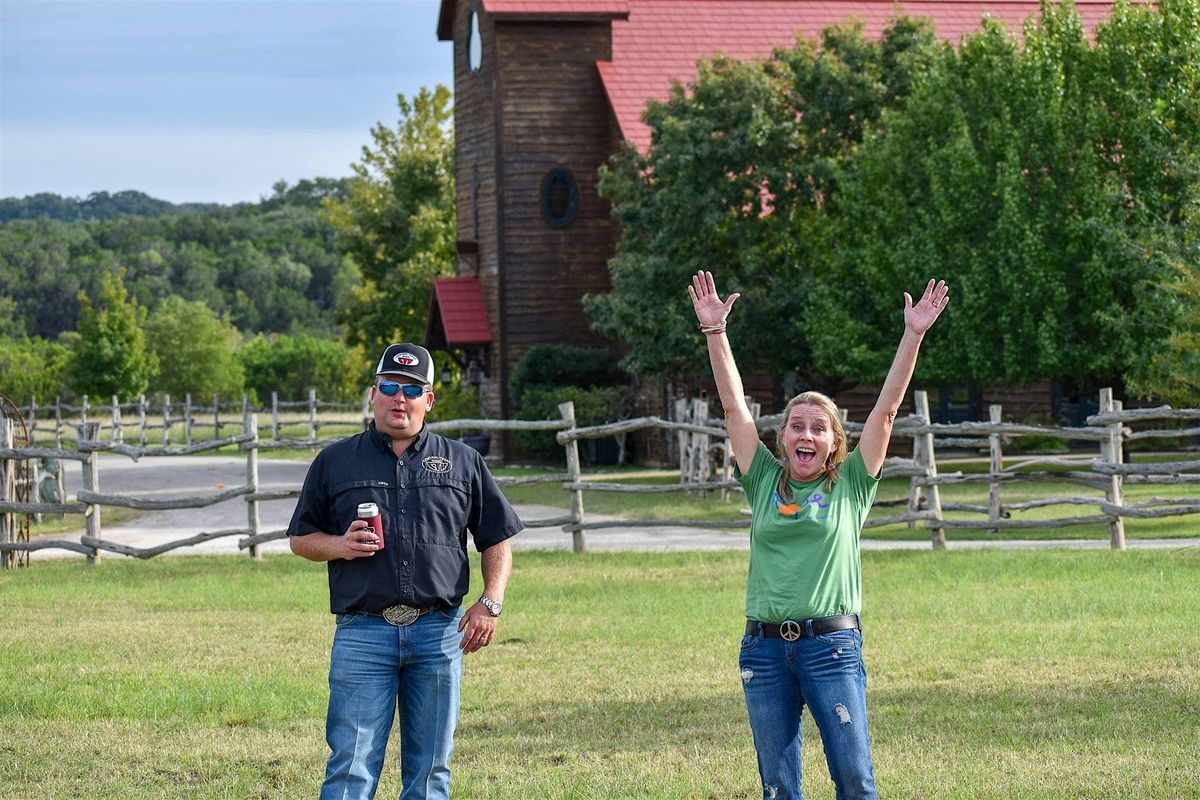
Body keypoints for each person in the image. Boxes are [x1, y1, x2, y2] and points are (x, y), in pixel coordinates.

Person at [687, 270, 948, 800]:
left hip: (832, 646)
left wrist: (913, 334)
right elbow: (735, 407)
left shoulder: (852, 484)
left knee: (854, 780)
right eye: (797, 425)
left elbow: (888, 409)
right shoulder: (762, 478)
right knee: (779, 788)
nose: (806, 433)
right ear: (782, 437)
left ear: (834, 443)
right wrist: (717, 333)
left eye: (818, 427)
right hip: (763, 650)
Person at [287, 342, 523, 800]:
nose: (400, 398)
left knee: (431, 769)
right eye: (390, 387)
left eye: (412, 390)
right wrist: (339, 545)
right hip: (363, 634)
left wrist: (490, 602)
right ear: (373, 394)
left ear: (428, 400)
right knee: (350, 766)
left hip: (438, 632)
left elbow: (497, 537)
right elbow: (301, 538)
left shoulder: (462, 462)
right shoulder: (335, 461)